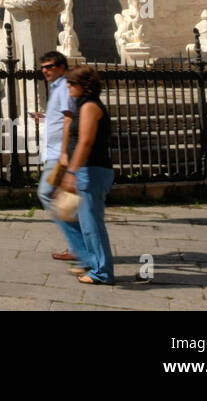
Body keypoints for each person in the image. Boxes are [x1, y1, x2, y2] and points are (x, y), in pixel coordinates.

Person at [59, 65, 116, 285]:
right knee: (84, 222)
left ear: (84, 86)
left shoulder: (90, 107)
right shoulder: (82, 105)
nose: (68, 86)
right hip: (87, 170)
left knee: (92, 224)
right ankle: (94, 264)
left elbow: (86, 141)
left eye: (71, 83)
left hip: (92, 170)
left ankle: (102, 272)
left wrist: (72, 170)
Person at [31, 51, 84, 266]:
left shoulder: (63, 87)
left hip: (58, 154)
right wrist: (44, 118)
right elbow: (62, 116)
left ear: (62, 67)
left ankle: (78, 246)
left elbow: (69, 119)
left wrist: (64, 153)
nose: (45, 70)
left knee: (46, 194)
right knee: (58, 197)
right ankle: (79, 243)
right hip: (54, 152)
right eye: (43, 67)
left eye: (50, 66)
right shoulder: (58, 88)